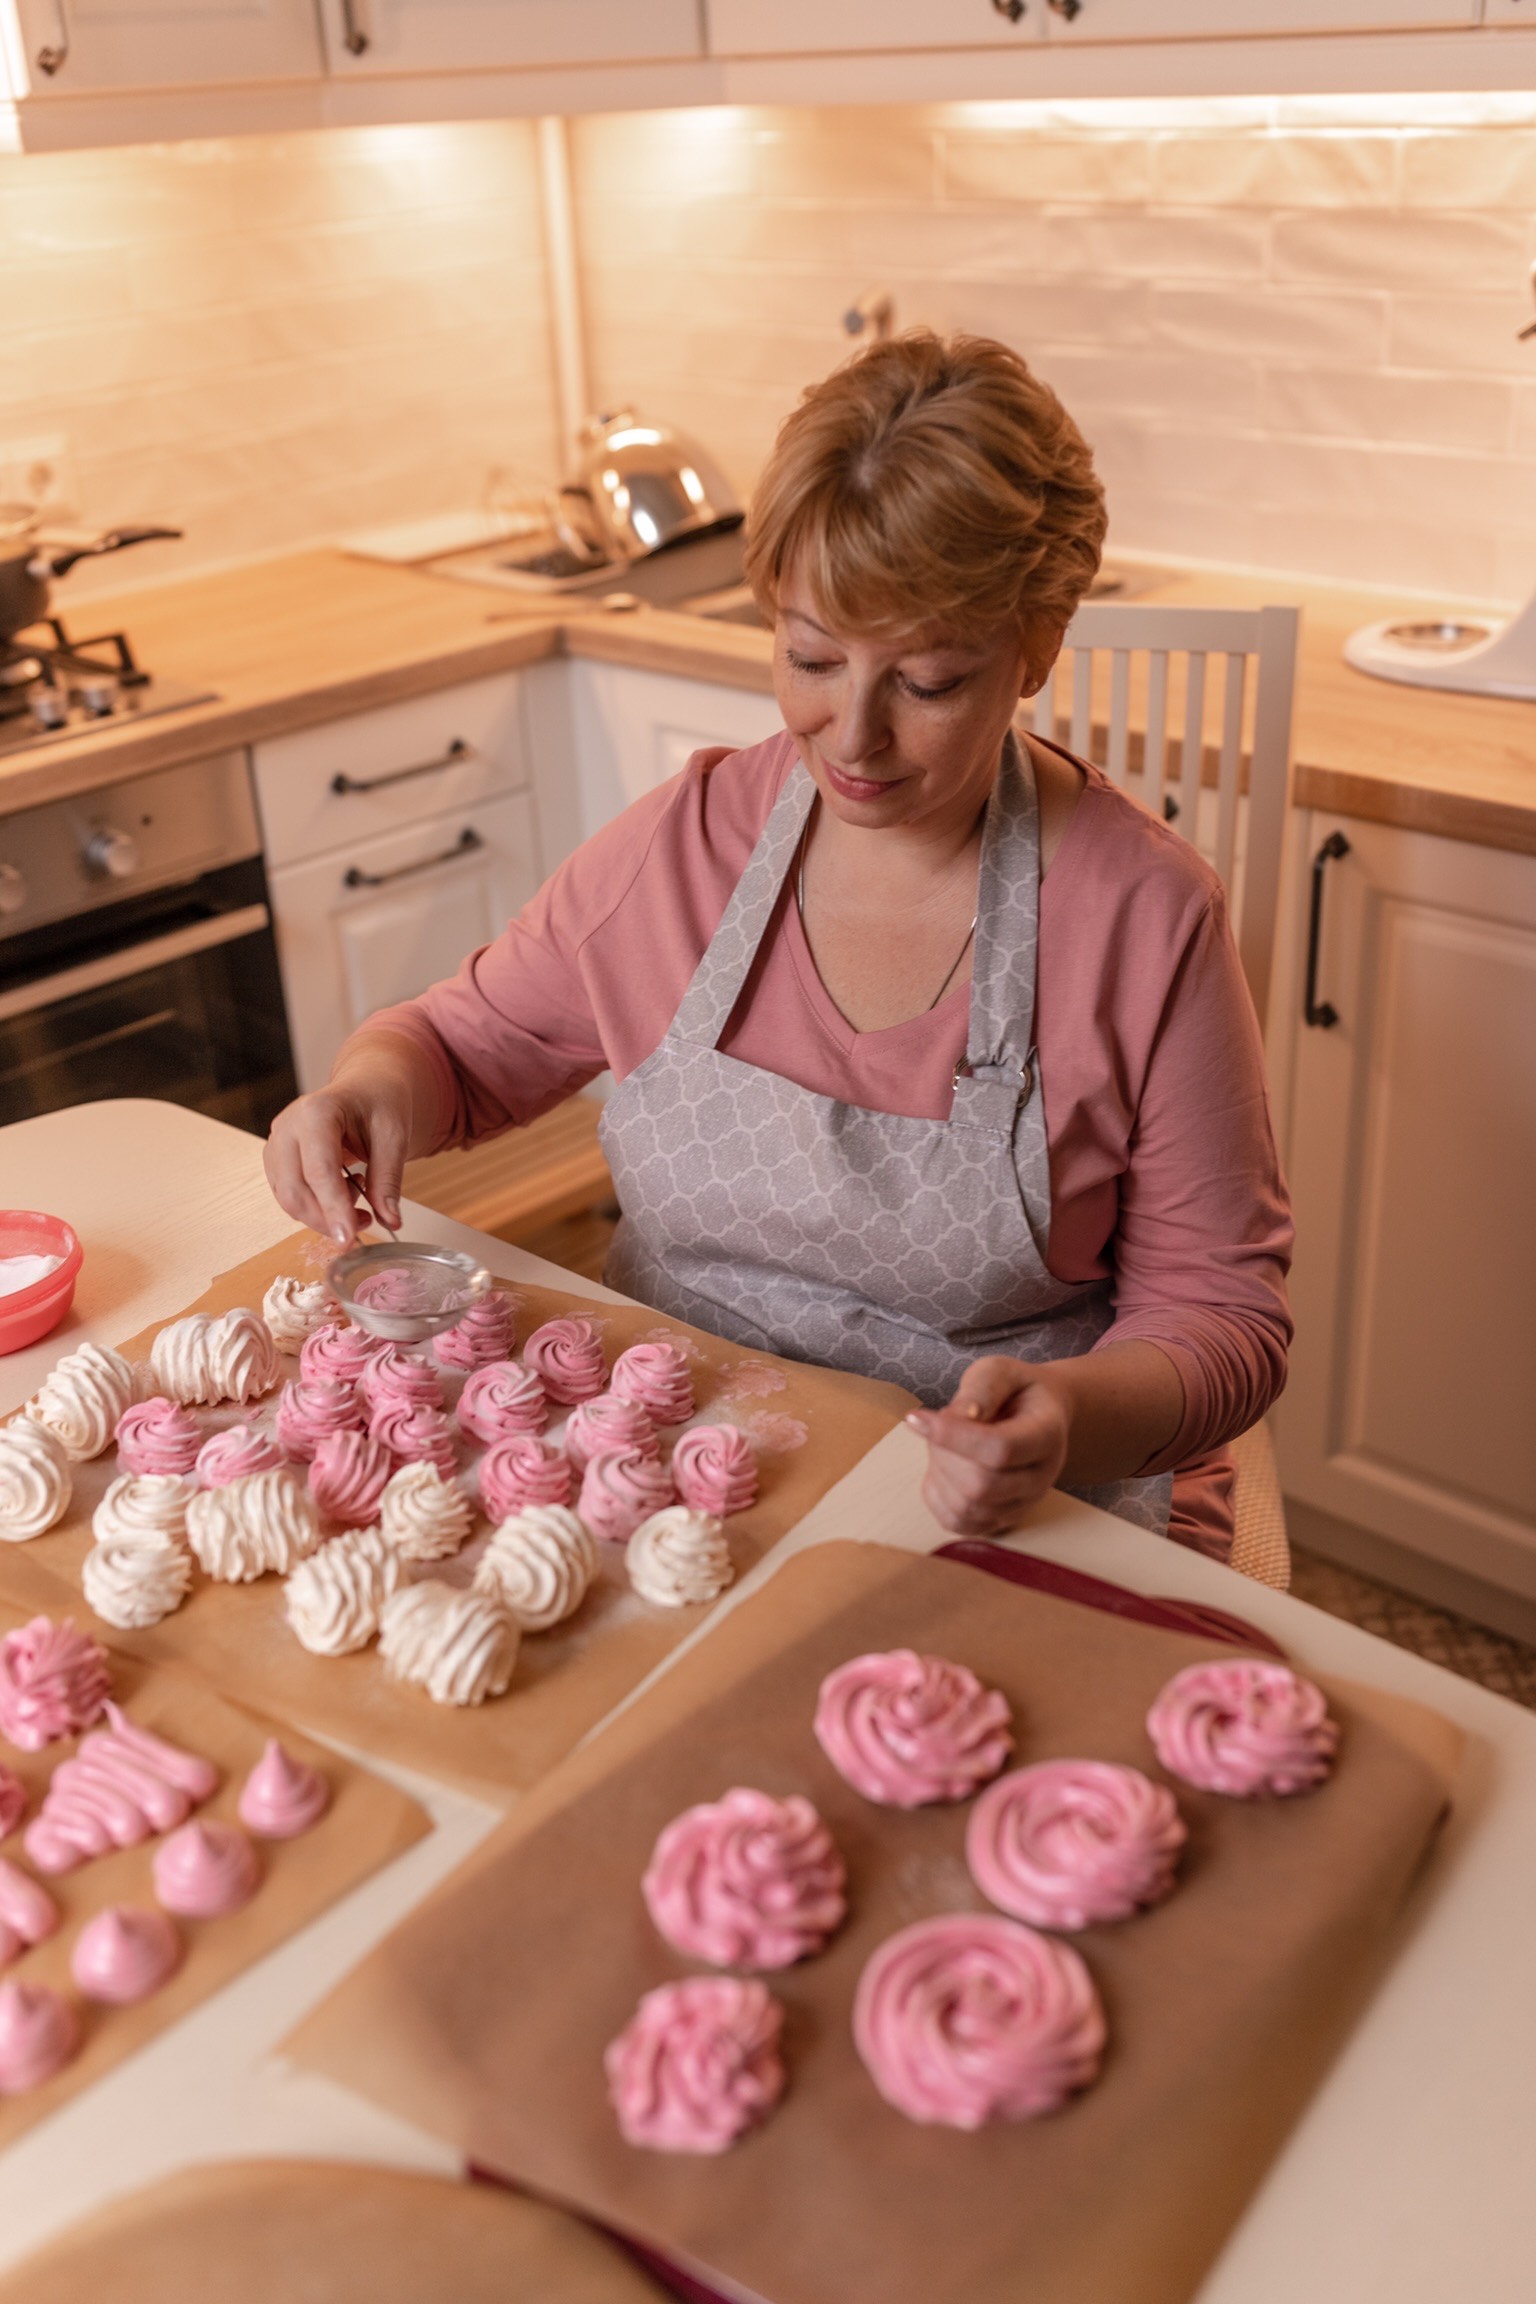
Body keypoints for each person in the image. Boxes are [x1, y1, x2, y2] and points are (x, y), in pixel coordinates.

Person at [265, 331, 1291, 1563]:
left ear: (1037, 648)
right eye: (809, 658)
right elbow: (462, 1045)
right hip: (669, 1484)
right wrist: (369, 1089)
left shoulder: (1143, 917)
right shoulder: (690, 846)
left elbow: (1223, 1319)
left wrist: (1066, 1422)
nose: (850, 735)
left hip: (1002, 1512)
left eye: (929, 679)